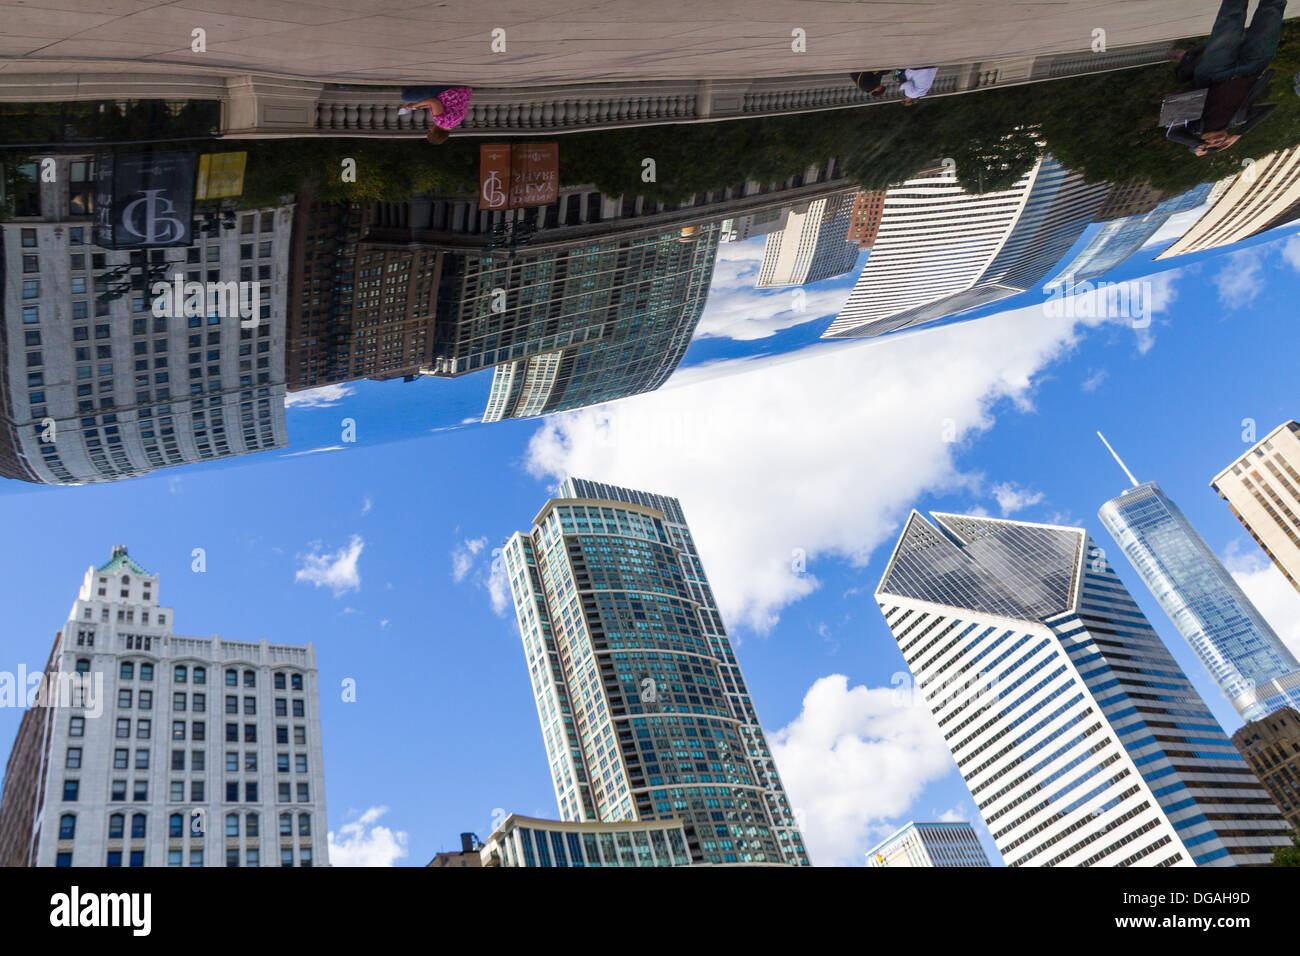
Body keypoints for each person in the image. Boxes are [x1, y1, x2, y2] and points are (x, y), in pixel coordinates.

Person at [1165, 0, 1286, 155]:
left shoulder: (1193, 125)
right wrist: (1240, 133)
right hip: (1253, 68)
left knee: (1230, 21)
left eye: (1211, 143)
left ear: (1203, 139)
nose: (1217, 140)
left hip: (1214, 71)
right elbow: (1270, 108)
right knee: (1271, 16)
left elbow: (1172, 134)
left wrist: (1196, 145)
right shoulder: (1238, 119)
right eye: (1221, 143)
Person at [399, 85, 474, 144]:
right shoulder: (440, 122)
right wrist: (414, 105)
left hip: (463, 91)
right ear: (433, 131)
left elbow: (443, 105)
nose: (430, 128)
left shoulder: (454, 123)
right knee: (406, 96)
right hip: (450, 90)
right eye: (430, 131)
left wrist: (420, 107)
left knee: (419, 97)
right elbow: (434, 101)